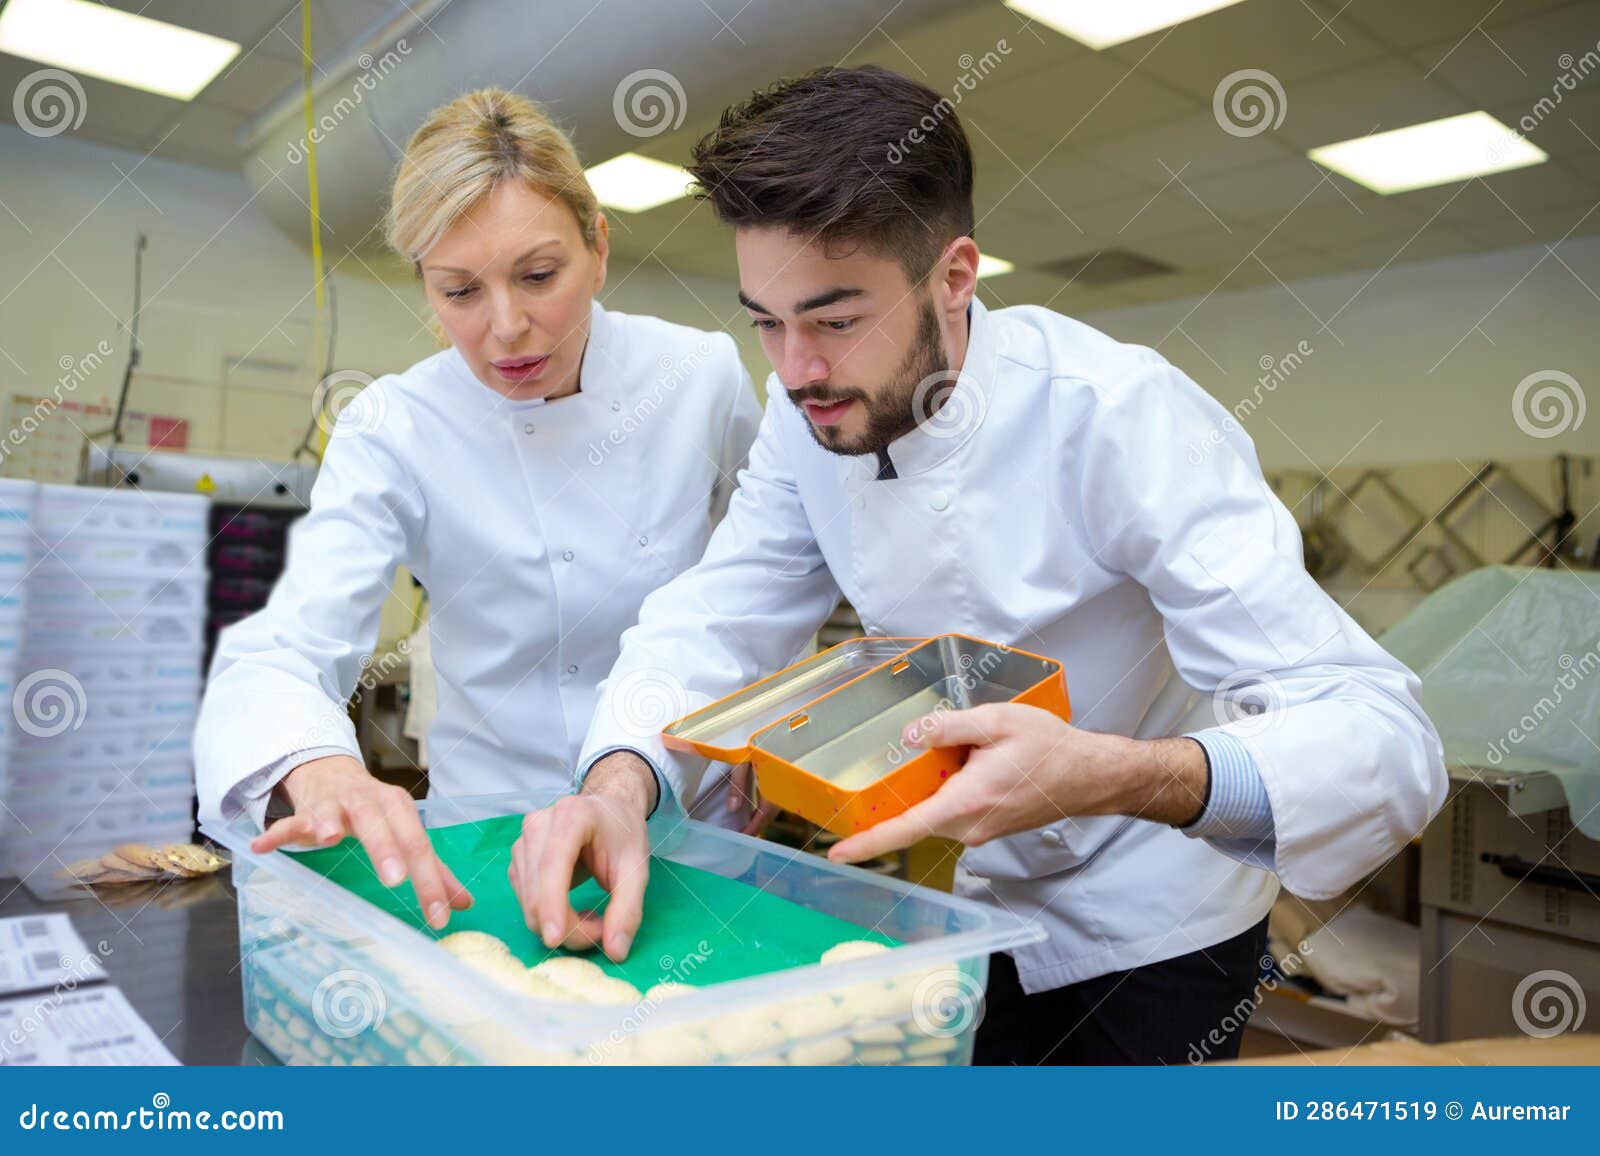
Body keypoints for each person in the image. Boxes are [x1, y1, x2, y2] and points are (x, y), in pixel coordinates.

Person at [194, 89, 759, 945]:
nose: (507, 328)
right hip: (484, 839)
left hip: (683, 829)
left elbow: (767, 572)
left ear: (598, 246)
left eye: (539, 276)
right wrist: (319, 764)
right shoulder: (396, 423)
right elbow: (286, 646)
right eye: (459, 291)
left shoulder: (699, 376)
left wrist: (757, 721)